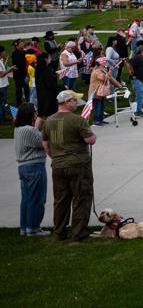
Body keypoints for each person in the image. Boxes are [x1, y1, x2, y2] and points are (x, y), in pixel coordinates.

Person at [41, 90, 96, 242]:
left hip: (58, 166)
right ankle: (79, 234)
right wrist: (93, 136)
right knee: (81, 198)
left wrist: (55, 156)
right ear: (66, 102)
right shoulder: (78, 120)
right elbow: (90, 140)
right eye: (74, 100)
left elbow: (45, 143)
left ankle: (59, 233)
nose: (77, 103)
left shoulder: (49, 120)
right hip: (78, 165)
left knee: (61, 200)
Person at [15, 103, 49, 237]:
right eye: (35, 111)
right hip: (34, 167)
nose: (36, 114)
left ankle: (25, 227)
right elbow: (44, 143)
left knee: (27, 199)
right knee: (37, 199)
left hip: (23, 167)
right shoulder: (29, 130)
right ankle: (33, 228)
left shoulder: (18, 129)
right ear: (30, 114)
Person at [88, 57, 122, 127]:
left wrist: (118, 85)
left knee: (101, 106)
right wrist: (109, 71)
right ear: (101, 64)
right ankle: (96, 121)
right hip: (96, 93)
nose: (106, 64)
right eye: (105, 63)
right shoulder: (96, 71)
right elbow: (104, 78)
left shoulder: (103, 70)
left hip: (101, 92)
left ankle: (100, 119)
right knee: (97, 106)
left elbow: (110, 79)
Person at [34, 53, 58, 121]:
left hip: (41, 94)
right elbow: (50, 85)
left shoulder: (38, 69)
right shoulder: (47, 70)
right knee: (50, 115)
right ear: (45, 59)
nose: (50, 59)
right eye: (49, 57)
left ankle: (36, 129)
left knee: (41, 114)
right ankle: (50, 130)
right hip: (49, 96)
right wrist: (62, 88)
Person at [12, 39, 29, 106]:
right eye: (21, 44)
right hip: (18, 75)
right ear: (17, 46)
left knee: (26, 88)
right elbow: (18, 64)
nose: (23, 45)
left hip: (24, 73)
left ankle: (28, 100)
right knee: (19, 90)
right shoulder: (15, 53)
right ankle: (19, 103)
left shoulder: (23, 52)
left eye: (23, 43)